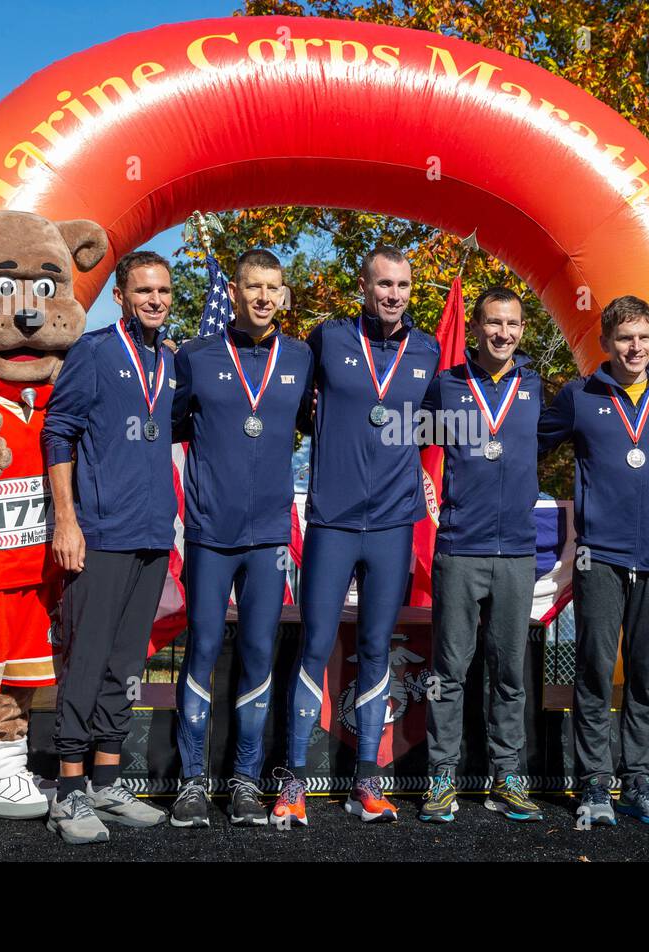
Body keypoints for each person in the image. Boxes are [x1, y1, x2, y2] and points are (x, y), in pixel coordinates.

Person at [273, 245, 441, 825]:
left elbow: (441, 421)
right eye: (383, 284)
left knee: (376, 652)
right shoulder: (327, 339)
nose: (393, 294)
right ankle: (292, 782)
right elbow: (289, 409)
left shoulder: (427, 348)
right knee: (314, 647)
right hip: (331, 523)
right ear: (364, 288)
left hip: (394, 526)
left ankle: (366, 782)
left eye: (402, 285)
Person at [168, 250, 314, 828]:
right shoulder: (195, 356)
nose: (262, 297)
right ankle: (190, 782)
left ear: (282, 294)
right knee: (202, 652)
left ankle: (247, 782)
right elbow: (173, 426)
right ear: (233, 290)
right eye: (252, 286)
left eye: (272, 288)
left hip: (271, 537)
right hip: (210, 534)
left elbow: (314, 420)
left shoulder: (301, 357)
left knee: (258, 656)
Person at [41, 251, 178, 843]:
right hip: (99, 535)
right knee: (86, 661)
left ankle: (106, 781)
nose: (155, 300)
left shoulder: (170, 361)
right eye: (143, 290)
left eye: (164, 291)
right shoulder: (95, 352)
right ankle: (68, 793)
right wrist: (66, 522)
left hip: (152, 535)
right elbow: (58, 431)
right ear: (120, 296)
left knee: (125, 666)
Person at [538, 295, 649, 827]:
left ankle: (640, 779)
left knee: (645, 675)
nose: (635, 347)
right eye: (624, 338)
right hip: (599, 557)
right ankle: (595, 783)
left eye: (643, 336)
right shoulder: (579, 396)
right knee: (596, 672)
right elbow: (530, 443)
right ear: (604, 344)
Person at [418, 286, 545, 823]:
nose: (503, 333)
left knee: (509, 672)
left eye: (513, 324)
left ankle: (507, 776)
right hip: (459, 549)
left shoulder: (538, 386)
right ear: (475, 327)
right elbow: (408, 446)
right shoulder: (446, 386)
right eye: (494, 323)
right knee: (449, 671)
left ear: (522, 330)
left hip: (517, 552)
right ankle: (442, 776)